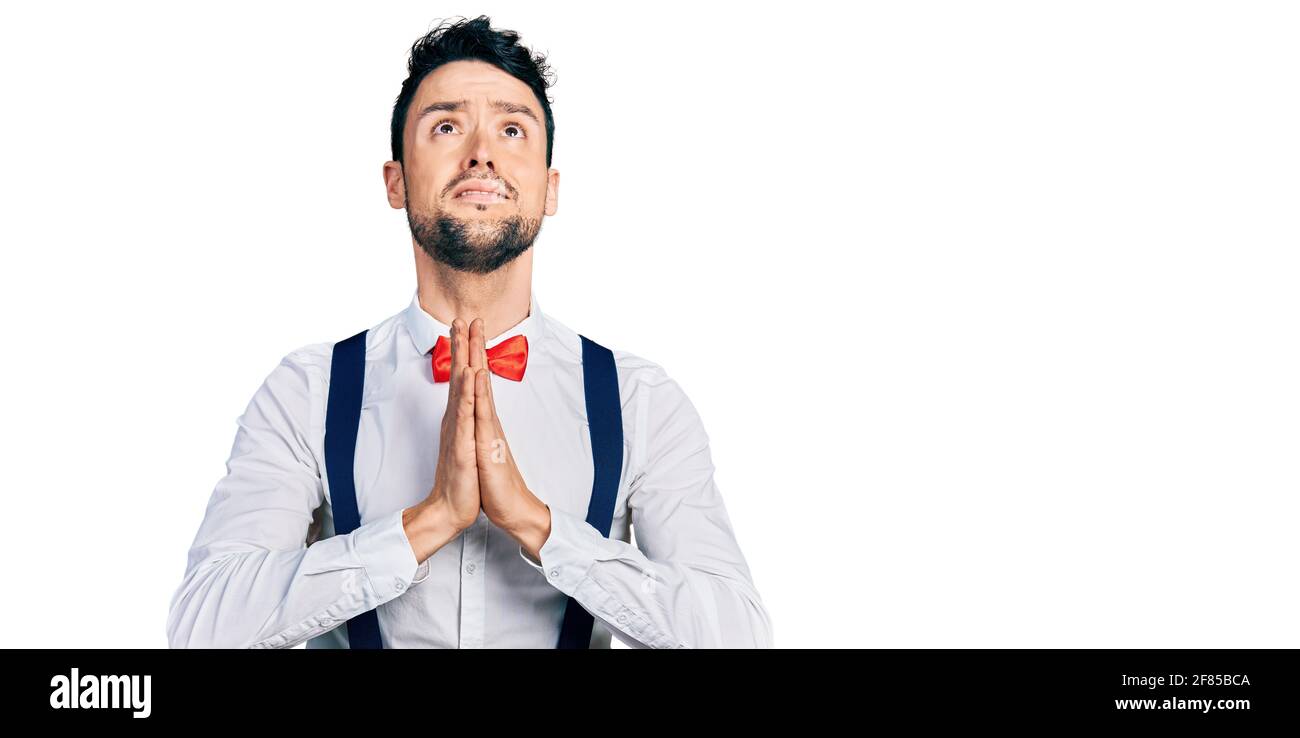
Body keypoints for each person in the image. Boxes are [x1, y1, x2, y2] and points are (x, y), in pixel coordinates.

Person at [166, 15, 772, 649]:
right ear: (396, 181)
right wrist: (423, 525)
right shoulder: (307, 390)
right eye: (447, 127)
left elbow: (737, 636)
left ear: (549, 188)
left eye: (512, 130)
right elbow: (202, 628)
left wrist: (539, 526)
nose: (482, 152)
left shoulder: (640, 400)